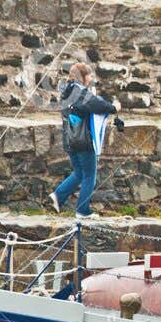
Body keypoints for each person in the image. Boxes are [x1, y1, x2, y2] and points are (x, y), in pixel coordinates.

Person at [50, 61, 121, 217]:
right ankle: (83, 211)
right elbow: (96, 105)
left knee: (79, 173)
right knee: (89, 175)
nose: (90, 79)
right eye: (89, 75)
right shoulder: (80, 92)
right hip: (83, 140)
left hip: (69, 139)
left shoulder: (66, 90)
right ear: (83, 76)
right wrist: (114, 107)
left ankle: (58, 196)